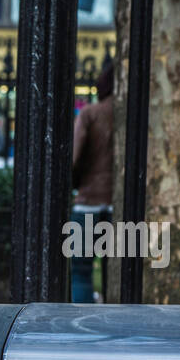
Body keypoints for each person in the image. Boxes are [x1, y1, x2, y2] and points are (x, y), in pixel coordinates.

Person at [70, 60, 114, 303]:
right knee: (117, 273)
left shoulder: (91, 114)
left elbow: (74, 158)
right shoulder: (133, 113)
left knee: (80, 272)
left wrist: (77, 184)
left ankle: (82, 330)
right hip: (118, 207)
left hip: (87, 202)